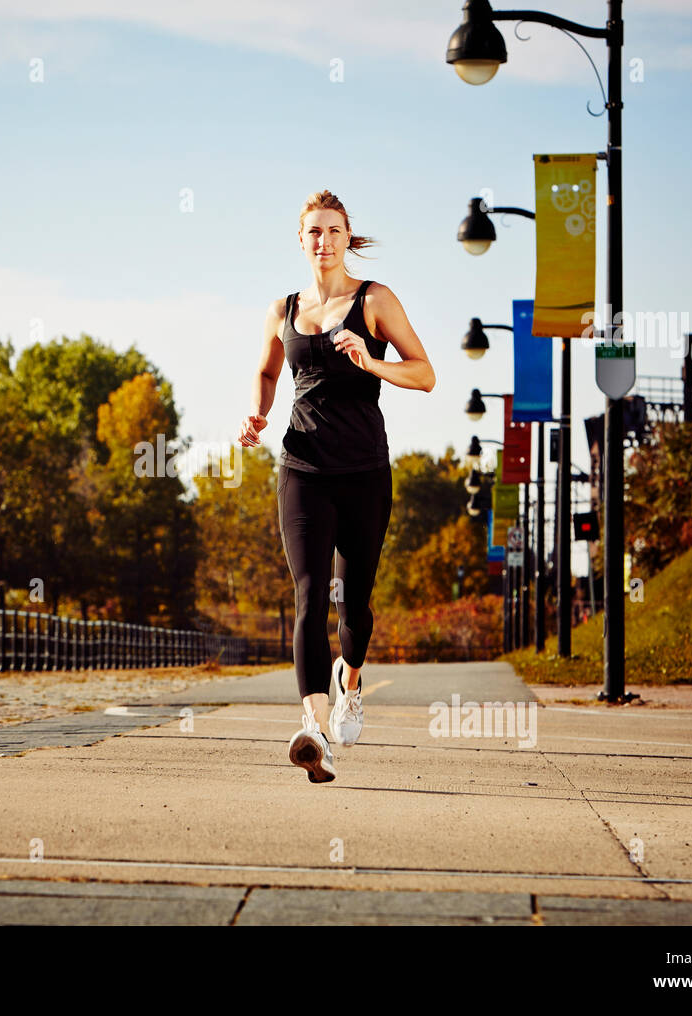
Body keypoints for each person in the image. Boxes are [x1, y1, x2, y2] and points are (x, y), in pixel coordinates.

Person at [238, 190, 435, 784]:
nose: (322, 240)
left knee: (354, 604)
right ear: (301, 241)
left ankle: (350, 681)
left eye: (333, 230)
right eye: (313, 232)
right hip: (301, 467)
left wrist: (370, 361)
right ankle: (313, 730)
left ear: (349, 237)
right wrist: (258, 412)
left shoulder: (375, 301)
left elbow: (425, 374)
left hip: (364, 472)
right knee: (306, 597)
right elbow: (268, 370)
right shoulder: (283, 309)